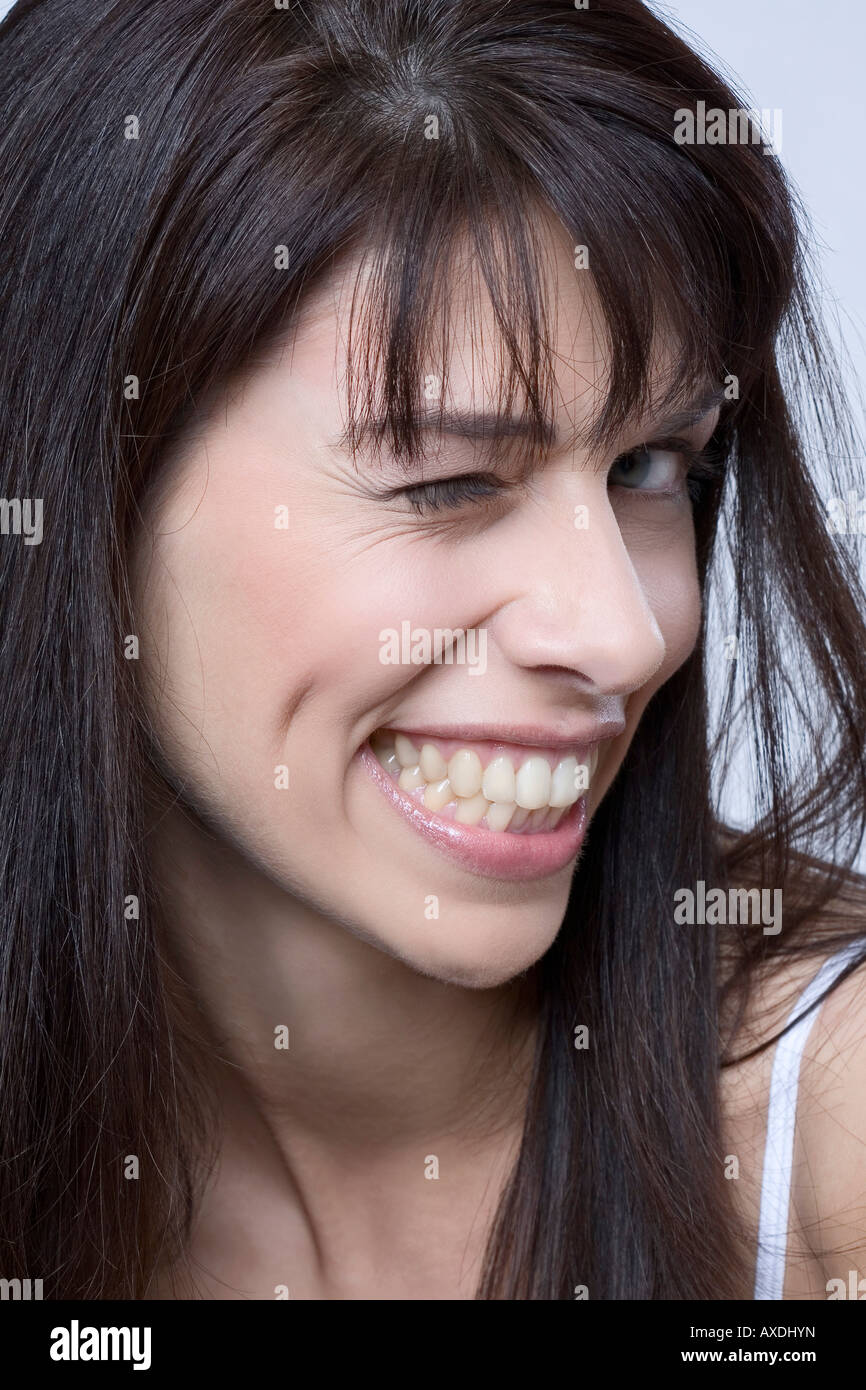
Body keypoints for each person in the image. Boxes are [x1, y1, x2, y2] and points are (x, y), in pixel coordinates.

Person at [1, 0, 864, 1301]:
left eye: (647, 466)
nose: (622, 633)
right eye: (449, 483)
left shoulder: (832, 1133)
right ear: (79, 504)